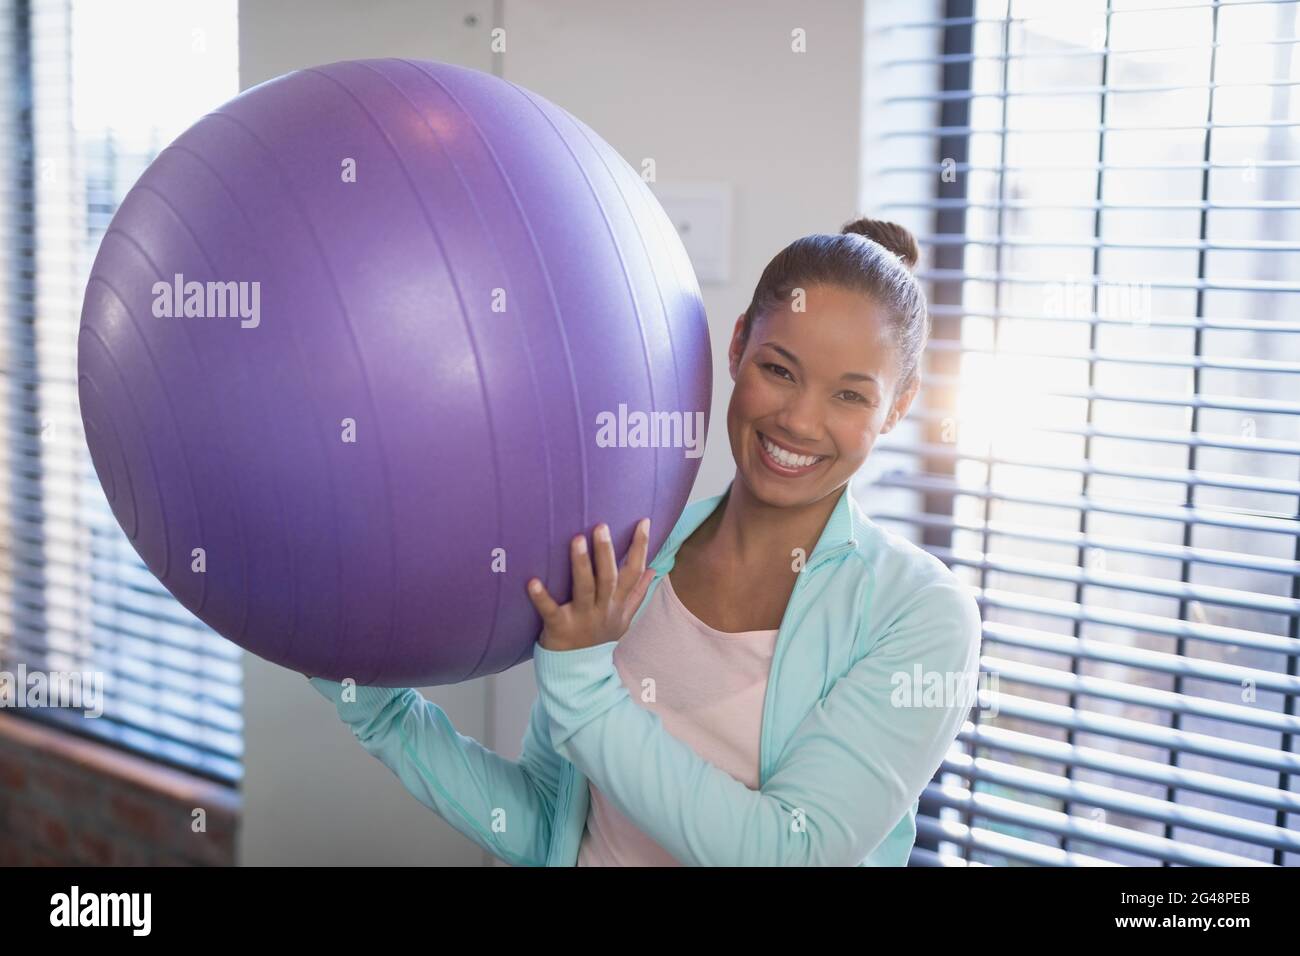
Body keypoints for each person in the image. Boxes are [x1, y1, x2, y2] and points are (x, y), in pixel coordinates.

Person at [307, 216, 983, 866]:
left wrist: (581, 681)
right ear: (740, 342)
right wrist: (375, 705)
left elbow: (788, 850)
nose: (800, 421)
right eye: (779, 370)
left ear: (898, 404)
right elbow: (548, 826)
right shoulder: (632, 556)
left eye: (850, 396)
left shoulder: (920, 616)